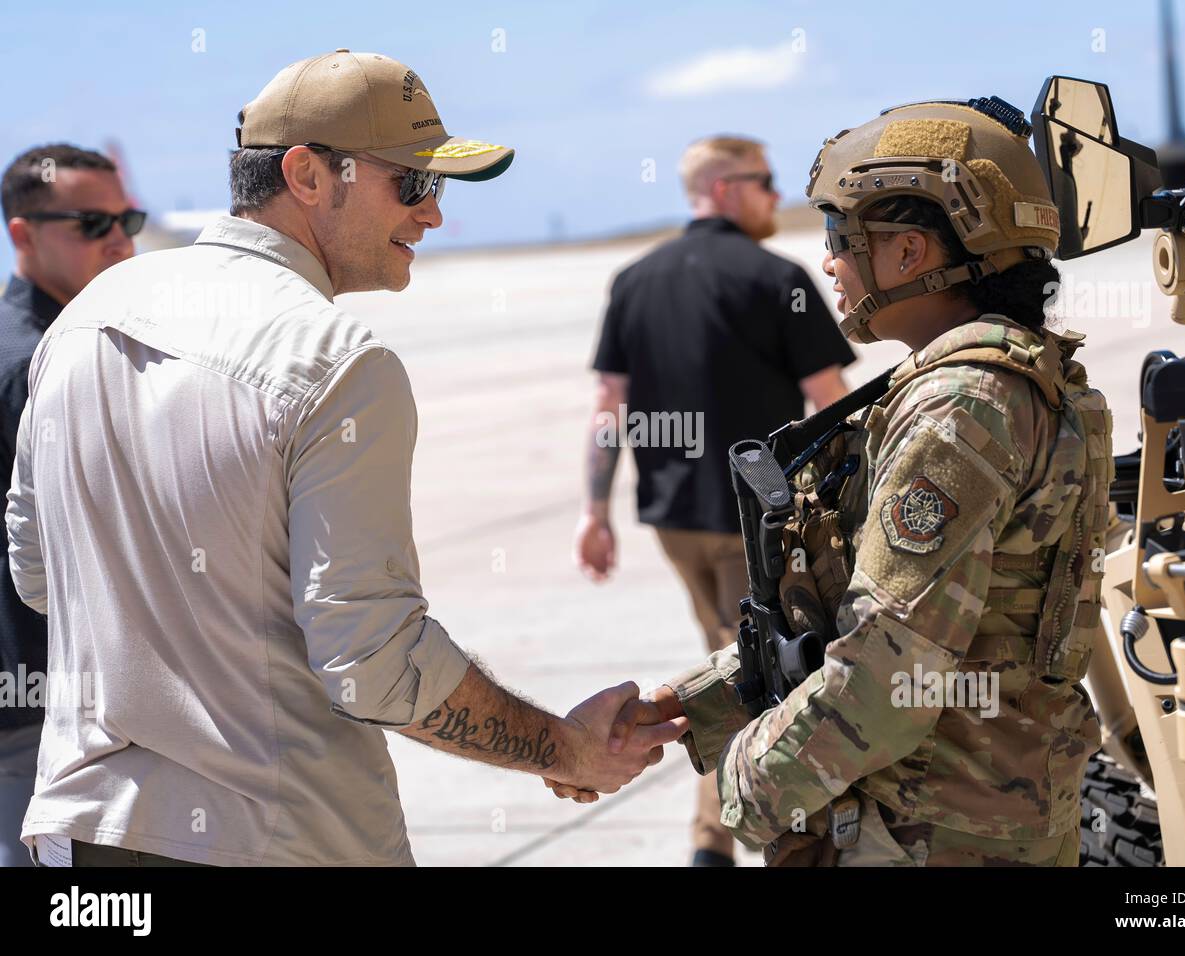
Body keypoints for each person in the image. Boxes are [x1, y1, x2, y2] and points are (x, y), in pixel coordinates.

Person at [5, 50, 682, 868]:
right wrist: (566, 750)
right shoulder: (338, 361)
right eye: (414, 183)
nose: (432, 215)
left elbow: (35, 576)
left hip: (82, 840)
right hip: (276, 841)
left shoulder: (85, 317)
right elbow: (373, 663)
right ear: (308, 174)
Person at [554, 97, 1114, 866]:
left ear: (911, 253)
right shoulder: (1004, 383)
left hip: (929, 832)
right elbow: (874, 628)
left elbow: (886, 673)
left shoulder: (960, 408)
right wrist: (675, 711)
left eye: (839, 235)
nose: (827, 261)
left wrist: (745, 789)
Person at [574, 135, 854, 866]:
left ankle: (714, 843)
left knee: (731, 659)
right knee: (761, 677)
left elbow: (609, 406)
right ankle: (715, 845)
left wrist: (594, 512)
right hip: (753, 526)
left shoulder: (634, 279)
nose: (777, 196)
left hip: (673, 522)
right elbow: (828, 402)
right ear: (727, 188)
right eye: (766, 182)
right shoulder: (776, 278)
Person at [0, 144, 140, 867]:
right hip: (44, 706)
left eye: (127, 218)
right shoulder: (43, 361)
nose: (120, 239)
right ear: (23, 234)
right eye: (91, 223)